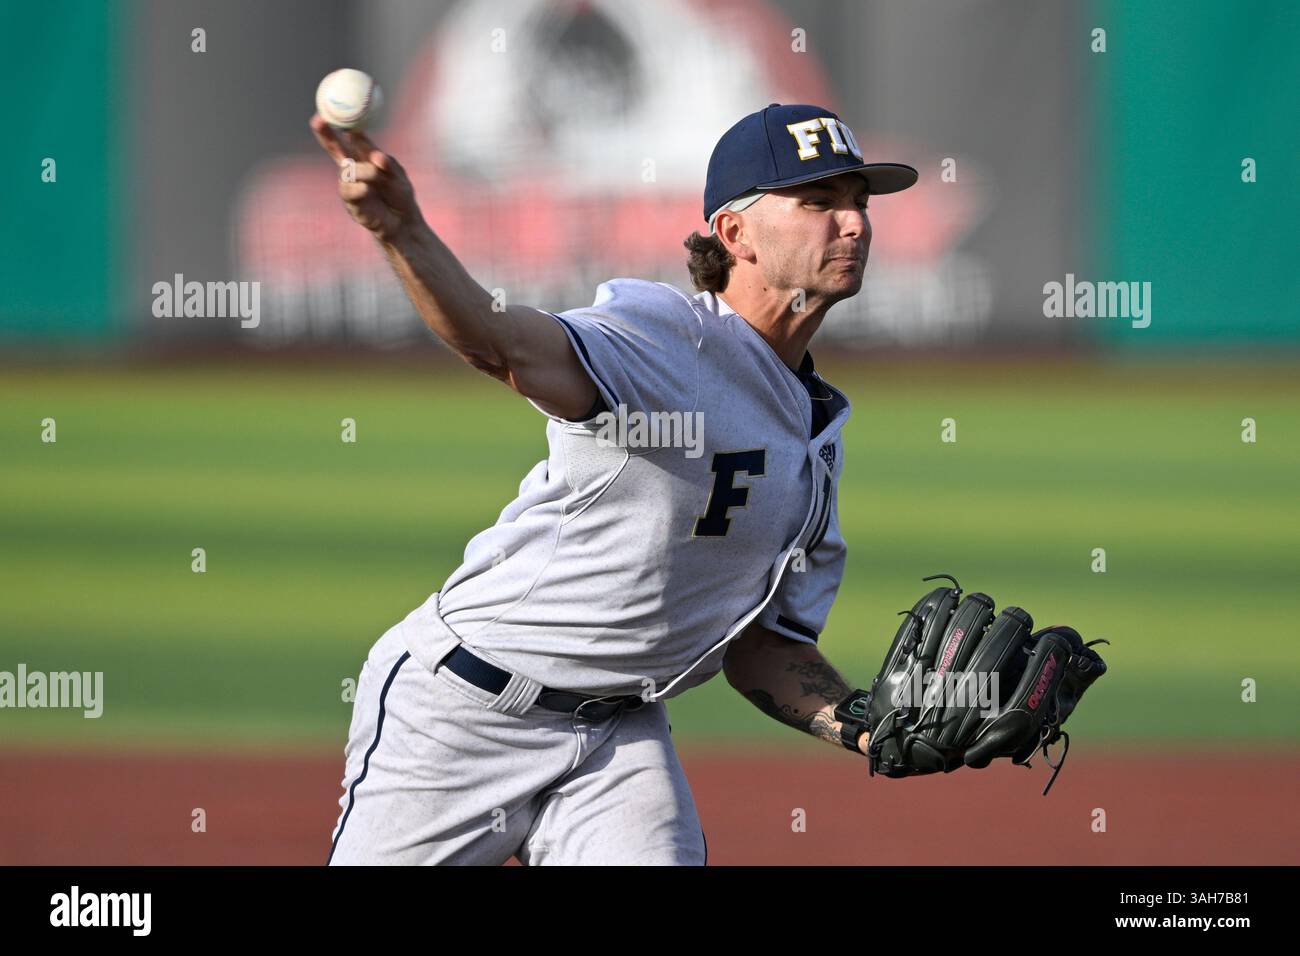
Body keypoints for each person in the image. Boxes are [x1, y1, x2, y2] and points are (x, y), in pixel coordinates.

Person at [316, 103, 917, 865]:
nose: (855, 224)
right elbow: (497, 342)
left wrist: (865, 723)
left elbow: (765, 644)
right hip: (460, 713)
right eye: (819, 203)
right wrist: (401, 232)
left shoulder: (815, 434)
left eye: (859, 201)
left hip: (617, 736)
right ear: (735, 236)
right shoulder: (662, 338)